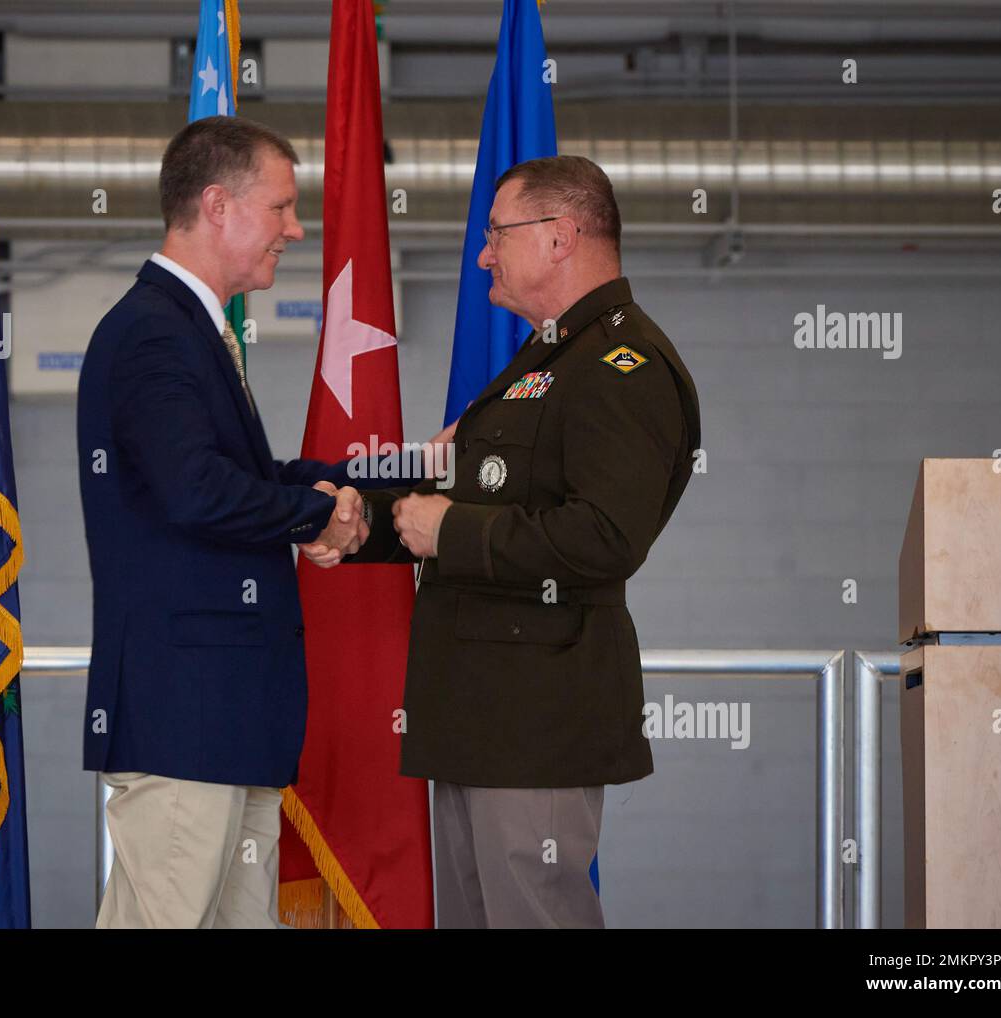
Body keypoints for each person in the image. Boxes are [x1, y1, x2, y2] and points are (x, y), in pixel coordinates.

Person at [307, 155, 702, 928]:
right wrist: (357, 526)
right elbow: (468, 496)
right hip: (476, 717)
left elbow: (606, 536)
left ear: (561, 237)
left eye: (496, 234)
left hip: (535, 724)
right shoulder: (542, 362)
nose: (483, 254)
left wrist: (448, 530)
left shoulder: (621, 365)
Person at [76, 116, 371, 929]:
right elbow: (196, 490)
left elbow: (241, 481)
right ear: (218, 205)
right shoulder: (151, 333)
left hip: (226, 716)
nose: (295, 227)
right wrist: (318, 514)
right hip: (185, 716)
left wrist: (378, 479)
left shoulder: (186, 329)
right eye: (280, 207)